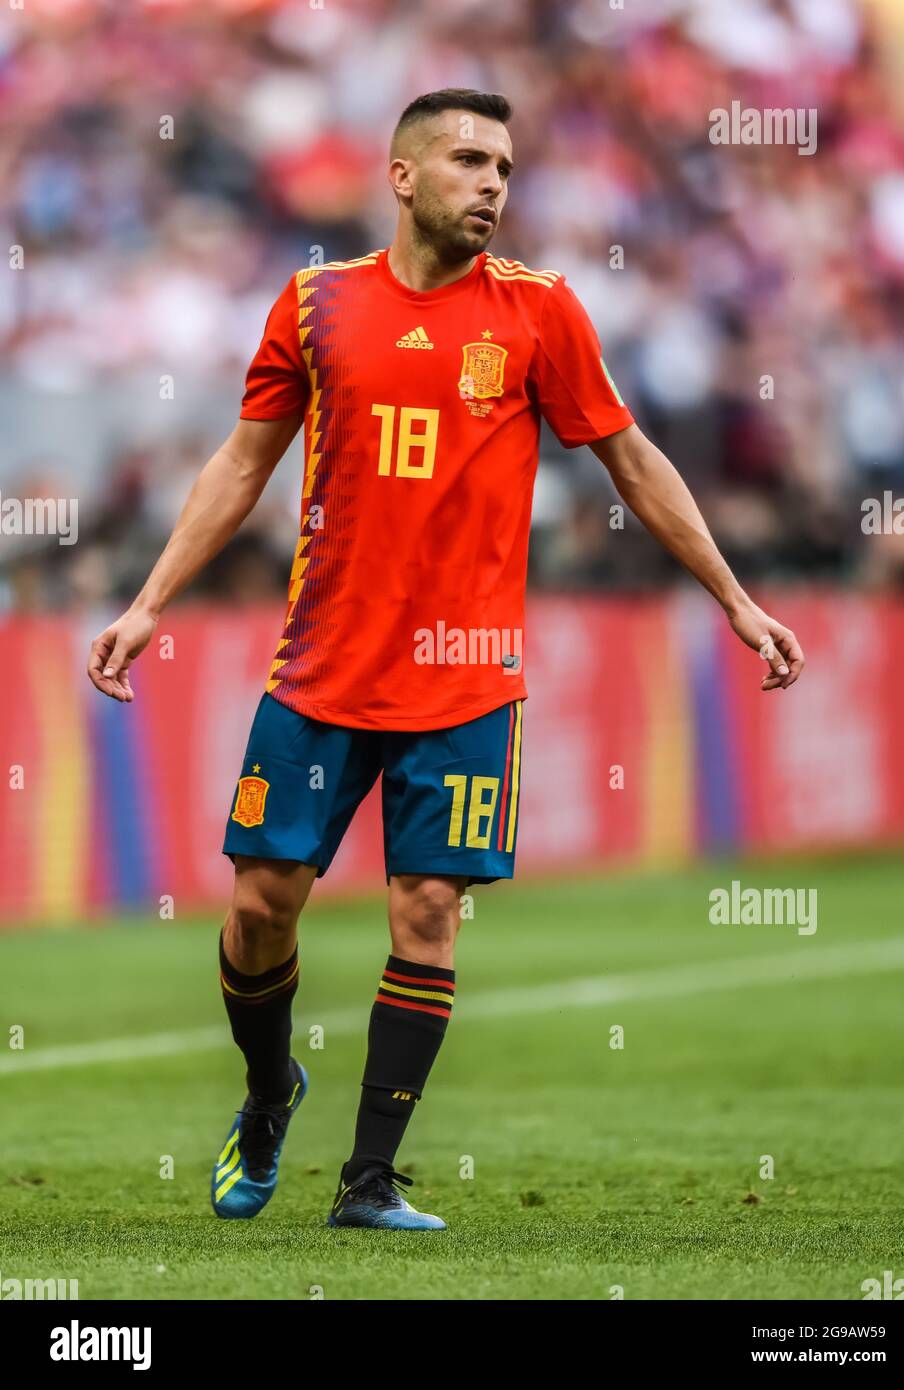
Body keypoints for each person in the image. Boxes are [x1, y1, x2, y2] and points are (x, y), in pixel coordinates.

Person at [87, 88, 805, 1232]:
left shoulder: (540, 313)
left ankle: (368, 1181)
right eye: (470, 160)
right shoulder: (317, 305)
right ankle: (270, 1093)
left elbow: (632, 462)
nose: (494, 184)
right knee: (263, 907)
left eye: (507, 168)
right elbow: (241, 462)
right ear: (405, 176)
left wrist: (734, 598)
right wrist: (145, 604)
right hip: (324, 665)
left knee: (427, 912)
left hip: (467, 676)